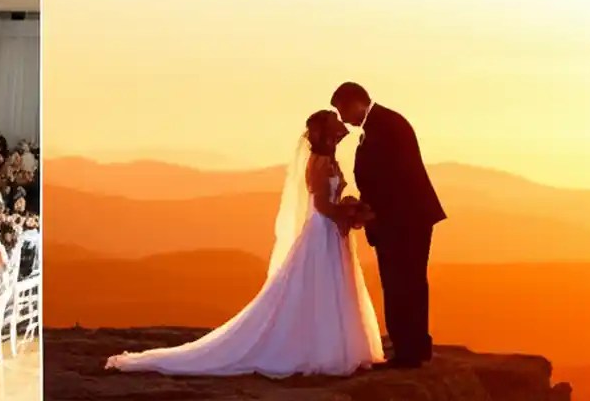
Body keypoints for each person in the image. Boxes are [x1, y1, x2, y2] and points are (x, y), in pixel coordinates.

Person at [106, 110, 384, 377]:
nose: (340, 128)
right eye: (334, 123)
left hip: (333, 232)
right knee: (319, 287)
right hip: (322, 230)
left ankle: (331, 346)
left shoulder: (330, 161)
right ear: (324, 133)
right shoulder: (319, 163)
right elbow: (322, 204)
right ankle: (321, 349)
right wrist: (346, 213)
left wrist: (349, 211)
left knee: (331, 287)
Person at [333, 81, 446, 368]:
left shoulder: (385, 126)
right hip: (405, 218)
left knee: (401, 282)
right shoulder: (381, 124)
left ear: (356, 102)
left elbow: (396, 179)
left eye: (342, 110)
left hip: (403, 221)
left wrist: (372, 212)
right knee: (408, 282)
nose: (343, 118)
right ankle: (414, 346)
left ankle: (409, 351)